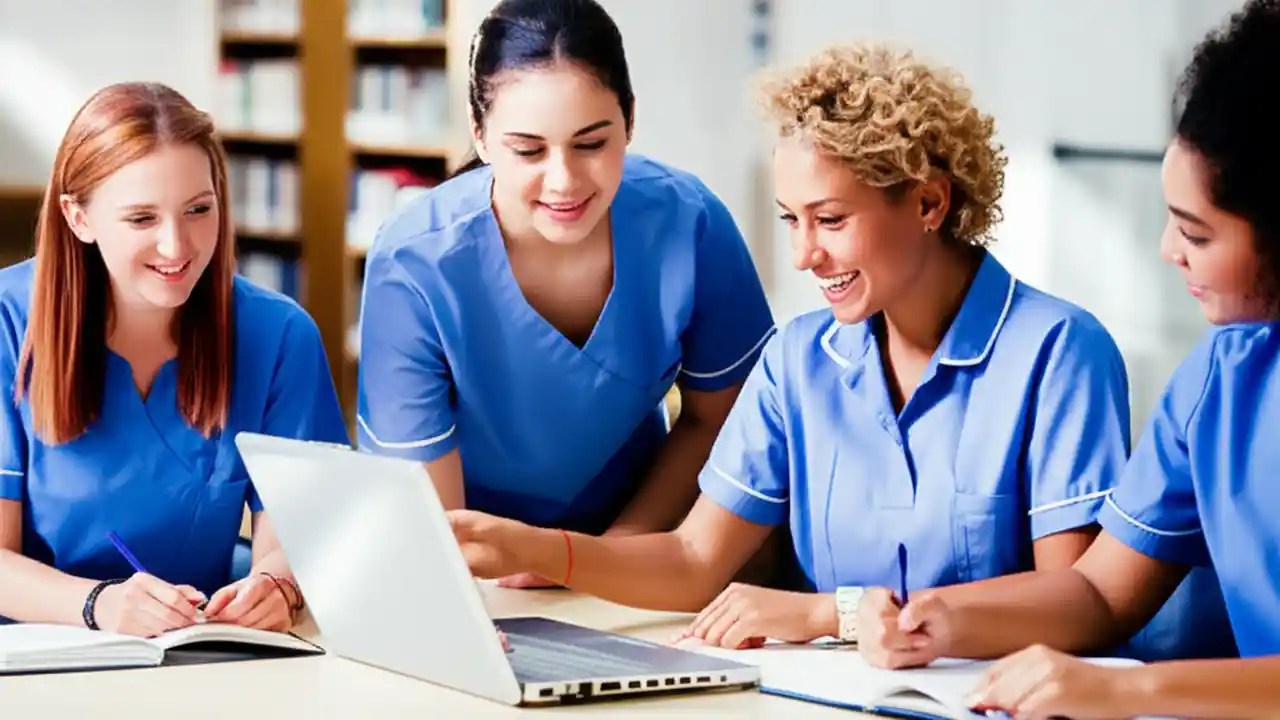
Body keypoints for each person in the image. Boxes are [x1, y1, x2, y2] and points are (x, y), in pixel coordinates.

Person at [445, 41, 1173, 653]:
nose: (803, 255)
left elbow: (1076, 602)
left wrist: (839, 614)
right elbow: (695, 559)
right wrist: (536, 548)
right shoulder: (798, 361)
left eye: (829, 220)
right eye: (790, 219)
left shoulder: (1057, 353)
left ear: (928, 203)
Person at [855, 1, 1280, 716]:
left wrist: (1129, 687)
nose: (1168, 252)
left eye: (1197, 235)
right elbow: (1098, 592)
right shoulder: (1222, 378)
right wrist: (945, 621)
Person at [355, 0, 774, 587]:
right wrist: (500, 573)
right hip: (475, 574)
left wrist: (606, 555)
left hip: (639, 554)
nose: (564, 180)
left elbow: (723, 419)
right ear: (479, 134)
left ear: (629, 119)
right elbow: (433, 530)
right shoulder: (415, 260)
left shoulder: (689, 221)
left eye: (591, 143)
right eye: (528, 150)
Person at [0, 82, 349, 638]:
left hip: (197, 654)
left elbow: (301, 531)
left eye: (197, 210)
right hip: (34, 658)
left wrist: (277, 585)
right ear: (78, 218)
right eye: (142, 219)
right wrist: (99, 605)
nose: (177, 246)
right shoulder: (7, 324)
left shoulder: (279, 335)